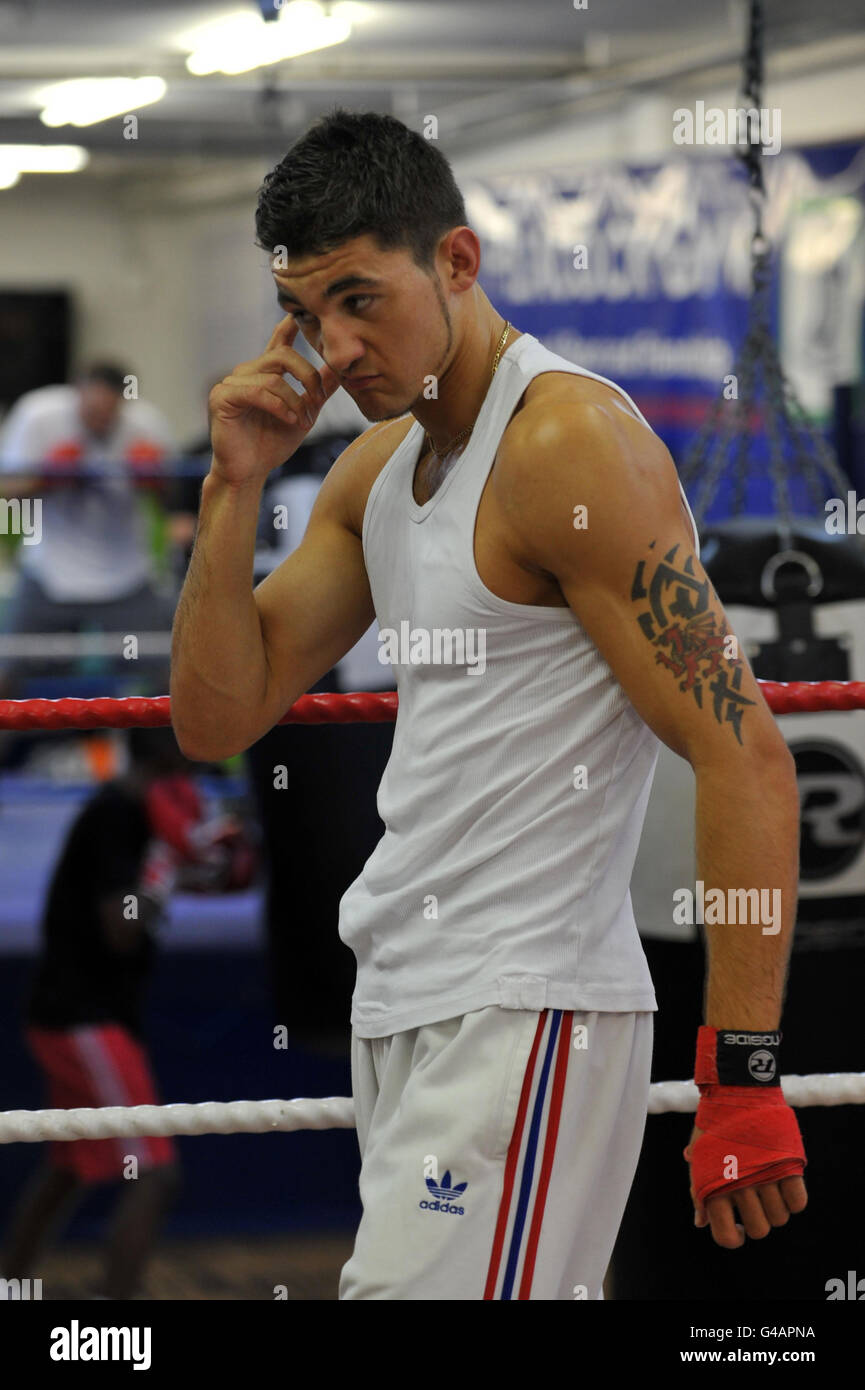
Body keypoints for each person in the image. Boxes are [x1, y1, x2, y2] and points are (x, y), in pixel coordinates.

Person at [170, 109, 808, 1301]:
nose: (338, 344)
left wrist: (743, 1069)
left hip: (526, 1001)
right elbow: (217, 717)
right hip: (406, 993)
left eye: (363, 299)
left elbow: (745, 758)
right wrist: (228, 488)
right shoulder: (374, 471)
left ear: (455, 262)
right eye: (310, 314)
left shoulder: (568, 444)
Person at [1, 727, 252, 1300]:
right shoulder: (117, 815)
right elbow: (121, 926)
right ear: (167, 753)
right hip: (83, 1017)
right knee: (156, 1174)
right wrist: (165, 873)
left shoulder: (139, 813)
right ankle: (116, 1320)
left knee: (69, 1164)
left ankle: (9, 1288)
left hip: (76, 1011)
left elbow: (190, 886)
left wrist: (201, 867)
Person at [0, 362, 178, 703]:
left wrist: (153, 479)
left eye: (107, 413)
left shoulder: (146, 425)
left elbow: (175, 498)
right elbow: (8, 491)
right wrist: (47, 477)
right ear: (75, 395)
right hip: (49, 572)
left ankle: (165, 757)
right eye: (91, 411)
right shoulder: (38, 415)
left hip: (125, 576)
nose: (99, 420)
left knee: (164, 682)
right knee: (11, 674)